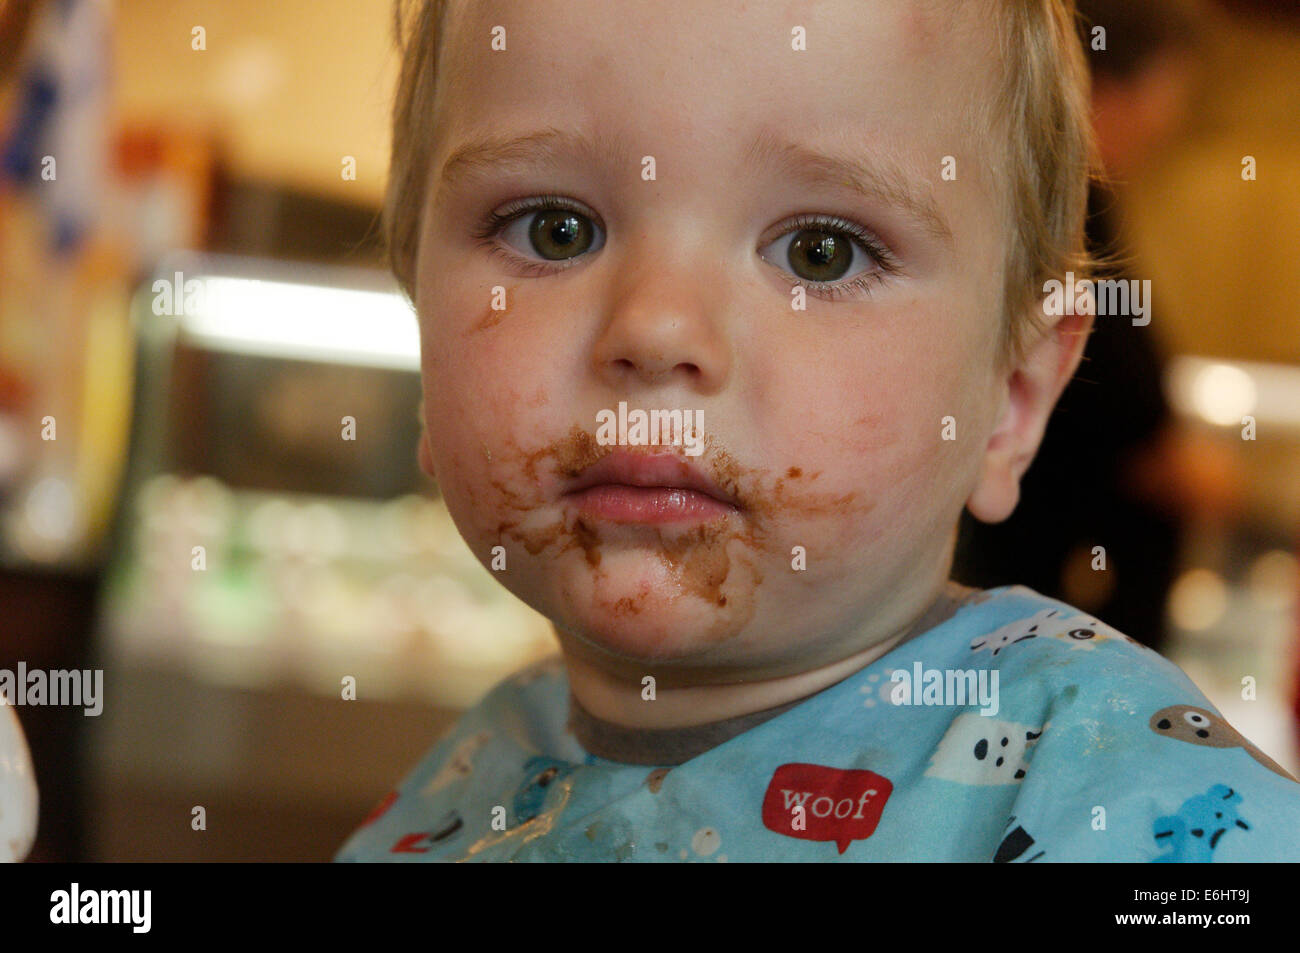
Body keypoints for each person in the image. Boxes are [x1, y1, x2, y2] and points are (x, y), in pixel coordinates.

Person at [336, 0, 1300, 861]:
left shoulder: (1121, 805)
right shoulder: (447, 797)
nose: (657, 327)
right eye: (554, 228)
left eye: (820, 252)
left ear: (1011, 399)